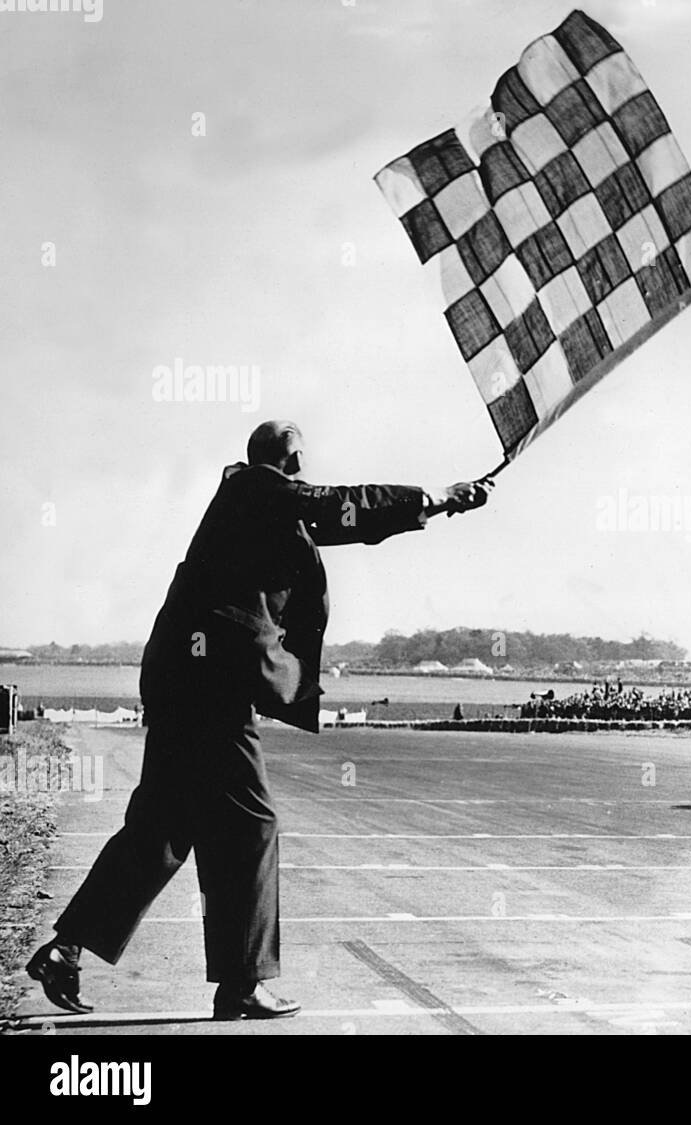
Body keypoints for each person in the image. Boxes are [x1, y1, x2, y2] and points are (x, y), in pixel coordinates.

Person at [26, 421, 492, 1020]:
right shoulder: (254, 489)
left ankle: (66, 951)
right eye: (296, 459)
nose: (301, 471)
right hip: (208, 684)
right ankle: (243, 983)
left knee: (162, 828)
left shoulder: (256, 504)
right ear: (283, 460)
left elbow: (347, 520)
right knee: (251, 825)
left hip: (185, 679)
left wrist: (434, 505)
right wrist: (426, 499)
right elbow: (336, 507)